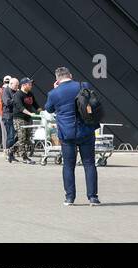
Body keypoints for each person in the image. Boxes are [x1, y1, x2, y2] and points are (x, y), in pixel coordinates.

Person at [44, 67, 100, 206]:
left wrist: (55, 89)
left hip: (67, 133)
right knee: (89, 164)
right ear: (70, 75)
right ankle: (93, 197)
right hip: (86, 131)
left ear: (57, 79)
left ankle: (70, 198)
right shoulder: (84, 85)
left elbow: (49, 108)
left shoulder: (53, 93)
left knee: (68, 166)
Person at [8, 77, 44, 165]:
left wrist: (42, 112)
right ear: (23, 85)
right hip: (19, 118)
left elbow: (36, 104)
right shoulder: (18, 95)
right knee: (22, 138)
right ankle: (24, 157)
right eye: (29, 84)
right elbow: (20, 107)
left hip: (28, 119)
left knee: (27, 139)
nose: (31, 85)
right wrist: (30, 114)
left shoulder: (30, 94)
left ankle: (11, 150)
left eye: (31, 84)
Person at [1, 77, 21, 163]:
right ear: (11, 84)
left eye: (18, 85)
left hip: (16, 116)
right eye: (16, 85)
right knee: (11, 135)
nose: (17, 87)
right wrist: (17, 100)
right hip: (8, 116)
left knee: (18, 135)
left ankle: (11, 154)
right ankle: (8, 154)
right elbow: (7, 102)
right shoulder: (6, 91)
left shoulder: (17, 92)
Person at [0, 74, 16, 153]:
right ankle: (12, 149)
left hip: (2, 113)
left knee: (5, 132)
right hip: (13, 113)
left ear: (3, 81)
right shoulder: (13, 89)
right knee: (13, 131)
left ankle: (5, 149)